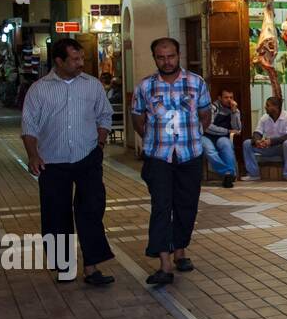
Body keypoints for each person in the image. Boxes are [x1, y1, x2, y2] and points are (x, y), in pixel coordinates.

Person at [19, 38, 115, 285]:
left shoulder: (92, 85)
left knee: (91, 211)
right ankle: (64, 266)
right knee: (56, 215)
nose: (81, 63)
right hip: (52, 162)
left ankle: (92, 267)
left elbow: (105, 116)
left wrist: (100, 145)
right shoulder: (39, 89)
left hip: (87, 158)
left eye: (82, 58)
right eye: (75, 59)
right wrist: (33, 155)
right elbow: (29, 125)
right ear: (59, 61)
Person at [130, 37, 211, 286]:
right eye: (161, 57)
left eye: (171, 56)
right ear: (155, 58)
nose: (167, 61)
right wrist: (153, 140)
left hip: (190, 155)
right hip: (159, 157)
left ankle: (180, 251)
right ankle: (164, 263)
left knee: (187, 206)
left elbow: (205, 115)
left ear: (179, 55)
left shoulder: (196, 83)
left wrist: (193, 137)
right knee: (161, 207)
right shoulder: (145, 87)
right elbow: (137, 119)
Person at [240, 96, 287, 181]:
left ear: (276, 107)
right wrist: (257, 141)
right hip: (268, 147)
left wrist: (271, 141)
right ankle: (253, 174)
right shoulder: (264, 118)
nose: (265, 107)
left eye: (267, 105)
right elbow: (257, 132)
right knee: (247, 143)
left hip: (282, 148)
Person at [202, 89, 241, 188]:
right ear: (219, 98)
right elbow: (207, 127)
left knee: (226, 146)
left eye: (231, 97)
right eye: (226, 97)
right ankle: (228, 173)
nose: (229, 100)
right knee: (210, 150)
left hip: (222, 137)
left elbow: (237, 129)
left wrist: (234, 112)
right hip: (206, 136)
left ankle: (229, 176)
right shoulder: (212, 108)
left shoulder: (235, 110)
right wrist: (227, 131)